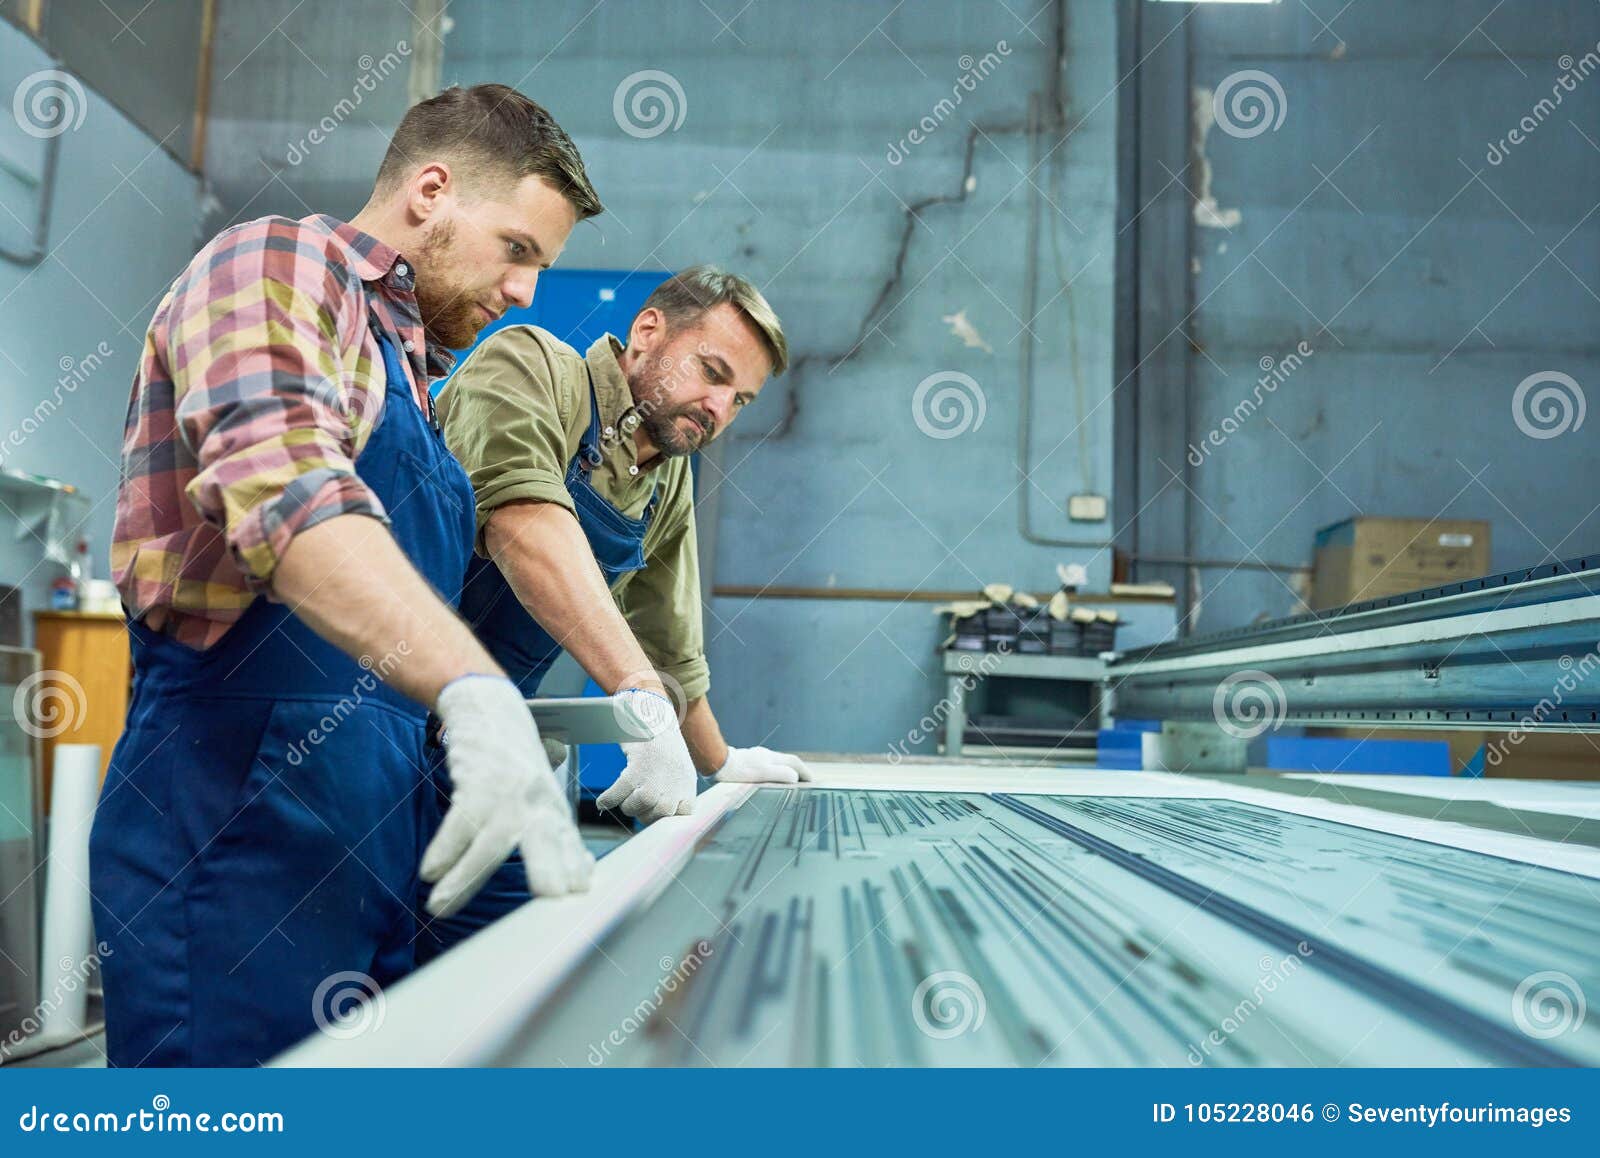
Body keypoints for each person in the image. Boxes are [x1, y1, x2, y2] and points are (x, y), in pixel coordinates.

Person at [91, 84, 602, 1067]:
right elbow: (287, 495)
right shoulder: (280, 264)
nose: (528, 292)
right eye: (518, 249)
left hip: (370, 831)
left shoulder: (413, 373)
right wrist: (470, 687)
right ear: (432, 191)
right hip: (234, 820)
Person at [423, 267, 810, 956]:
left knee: (515, 966)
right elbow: (524, 524)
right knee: (350, 980)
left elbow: (667, 647)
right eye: (711, 372)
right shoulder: (532, 364)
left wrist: (718, 761)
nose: (718, 407)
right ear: (648, 332)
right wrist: (639, 699)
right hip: (379, 718)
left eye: (740, 398)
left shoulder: (665, 484)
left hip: (493, 756)